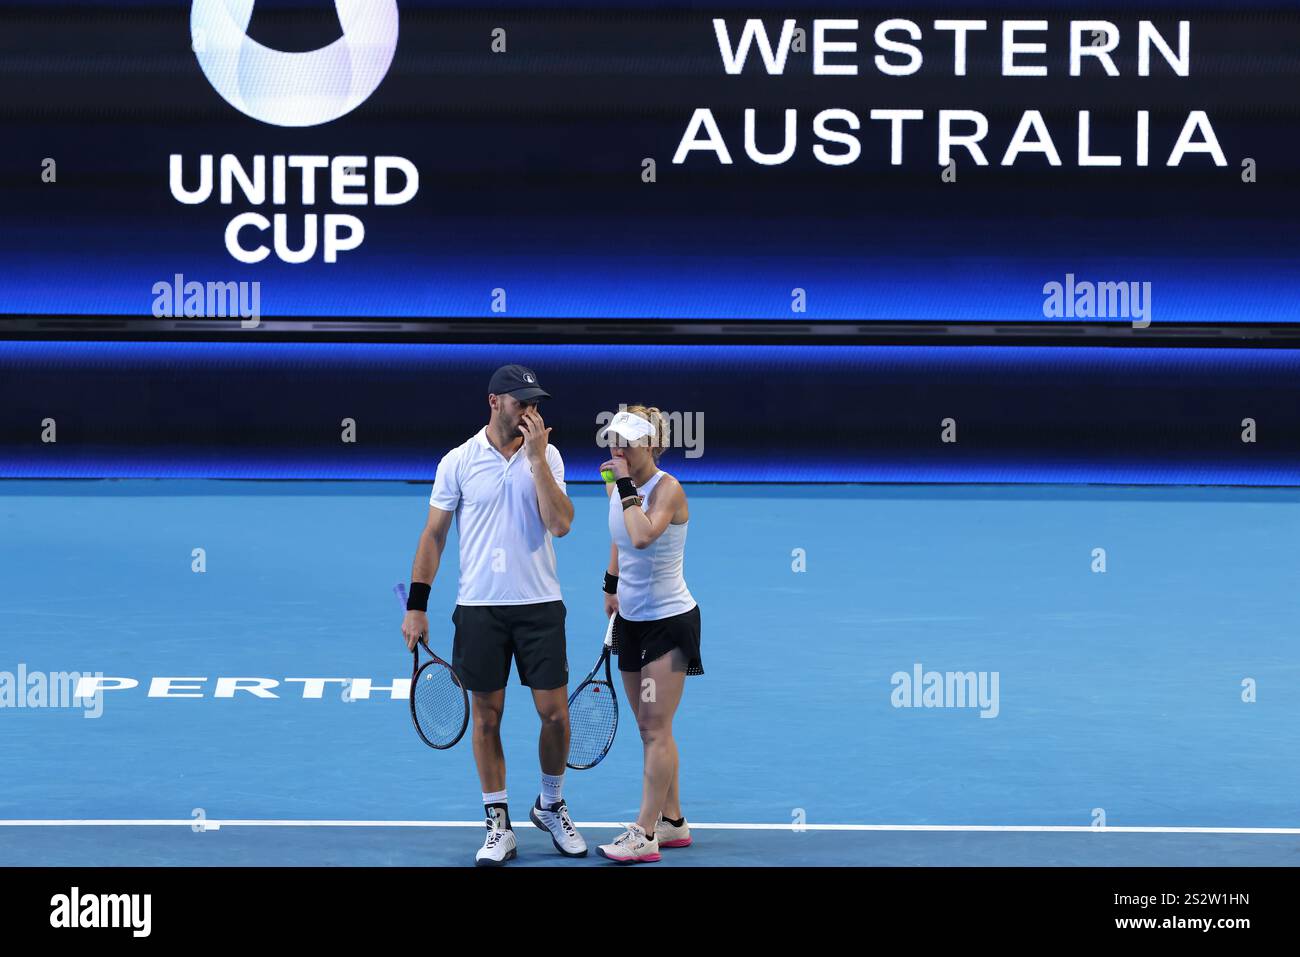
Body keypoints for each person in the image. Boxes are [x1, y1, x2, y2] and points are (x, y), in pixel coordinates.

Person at [400, 364, 585, 866]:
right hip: (479, 609)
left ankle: (550, 804)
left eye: (536, 404)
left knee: (555, 715)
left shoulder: (549, 457)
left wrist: (538, 460)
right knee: (487, 718)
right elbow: (434, 536)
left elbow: (561, 524)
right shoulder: (457, 461)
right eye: (522, 402)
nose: (531, 411)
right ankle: (498, 824)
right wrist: (417, 605)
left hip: (539, 605)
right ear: (494, 402)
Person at [595, 406, 703, 864]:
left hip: (670, 624)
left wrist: (621, 484)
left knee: (656, 728)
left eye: (629, 444)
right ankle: (673, 821)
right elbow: (620, 539)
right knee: (649, 728)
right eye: (614, 441)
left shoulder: (668, 490)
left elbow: (642, 535)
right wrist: (611, 583)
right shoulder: (614, 479)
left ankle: (644, 833)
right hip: (631, 622)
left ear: (653, 447)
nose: (618, 450)